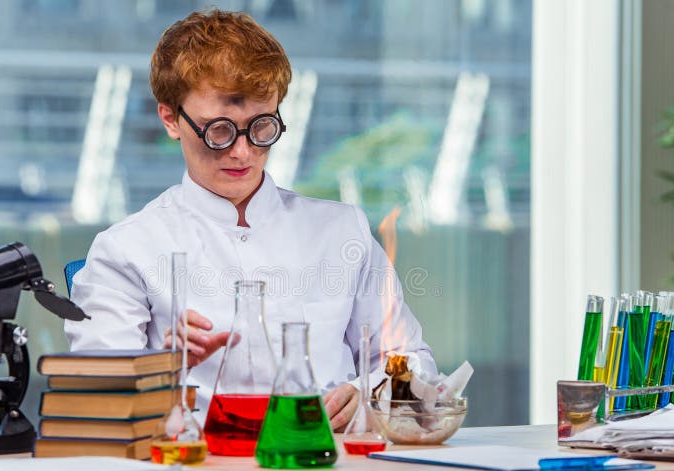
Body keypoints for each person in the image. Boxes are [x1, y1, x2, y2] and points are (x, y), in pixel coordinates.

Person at [65, 9, 436, 430]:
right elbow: (98, 400)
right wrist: (165, 372)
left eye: (261, 128)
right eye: (218, 131)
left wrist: (368, 397)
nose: (242, 152)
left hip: (332, 468)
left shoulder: (341, 231)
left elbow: (415, 369)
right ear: (171, 119)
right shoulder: (128, 249)